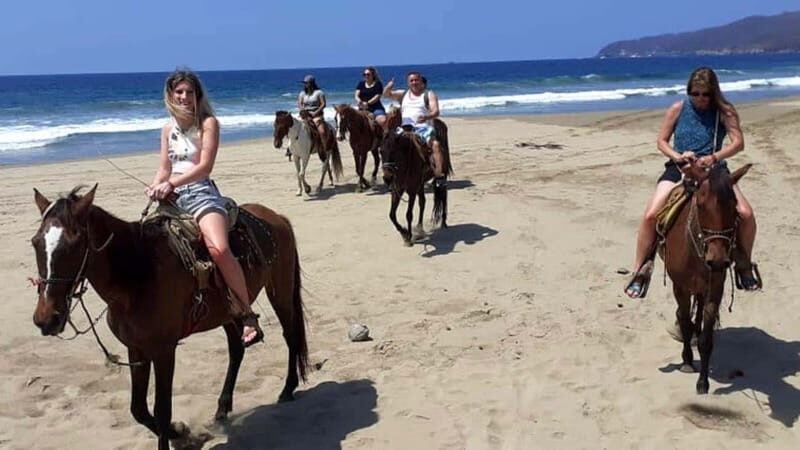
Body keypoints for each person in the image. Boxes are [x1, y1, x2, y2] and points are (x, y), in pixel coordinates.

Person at [146, 70, 263, 346]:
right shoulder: (167, 129)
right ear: (171, 95)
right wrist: (155, 186)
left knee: (218, 249)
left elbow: (204, 167)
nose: (184, 97)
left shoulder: (208, 123)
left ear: (198, 96)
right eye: (179, 92)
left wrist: (171, 183)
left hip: (201, 194)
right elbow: (164, 167)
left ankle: (247, 315)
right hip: (172, 198)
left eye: (190, 92)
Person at [625, 66, 760, 299]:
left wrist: (714, 157)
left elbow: (738, 143)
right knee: (651, 215)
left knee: (746, 213)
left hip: (714, 171)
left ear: (713, 92)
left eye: (705, 94)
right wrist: (678, 156)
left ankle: (744, 264)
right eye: (695, 93)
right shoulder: (678, 108)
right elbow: (661, 141)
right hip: (679, 169)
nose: (700, 98)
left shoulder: (724, 111)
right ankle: (641, 269)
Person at [383, 71, 446, 184]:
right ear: (408, 83)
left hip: (423, 128)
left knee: (435, 145)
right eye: (411, 81)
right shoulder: (403, 94)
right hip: (405, 129)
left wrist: (427, 117)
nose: (414, 82)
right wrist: (388, 87)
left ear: (421, 81)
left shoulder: (428, 94)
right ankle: (389, 172)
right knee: (388, 144)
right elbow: (386, 94)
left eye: (416, 80)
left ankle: (439, 175)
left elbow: (436, 112)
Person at [354, 66, 387, 131]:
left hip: (376, 108)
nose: (366, 76)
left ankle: (383, 135)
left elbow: (377, 96)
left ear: (373, 75)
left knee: (382, 120)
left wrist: (367, 103)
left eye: (368, 74)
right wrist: (359, 101)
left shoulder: (378, 84)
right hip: (362, 108)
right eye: (364, 74)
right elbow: (356, 95)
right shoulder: (361, 84)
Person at [297, 74, 329, 143]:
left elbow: (323, 104)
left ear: (311, 83)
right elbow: (299, 103)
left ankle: (324, 146)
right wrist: (303, 110)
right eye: (304, 83)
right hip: (305, 115)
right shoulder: (302, 93)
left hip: (316, 115)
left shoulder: (319, 92)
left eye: (306, 83)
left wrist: (315, 113)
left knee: (322, 131)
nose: (305, 84)